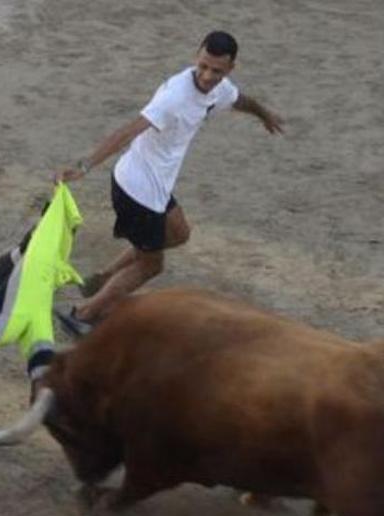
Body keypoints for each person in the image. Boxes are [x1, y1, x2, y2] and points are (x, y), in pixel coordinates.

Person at [53, 30, 283, 335]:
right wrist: (84, 166)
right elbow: (129, 130)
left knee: (178, 233)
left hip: (157, 186)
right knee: (151, 265)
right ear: (196, 56)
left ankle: (105, 276)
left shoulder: (220, 88)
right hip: (137, 190)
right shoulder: (174, 96)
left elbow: (239, 99)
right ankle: (84, 314)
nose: (206, 75)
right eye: (202, 66)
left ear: (230, 69)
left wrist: (264, 114)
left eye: (216, 71)